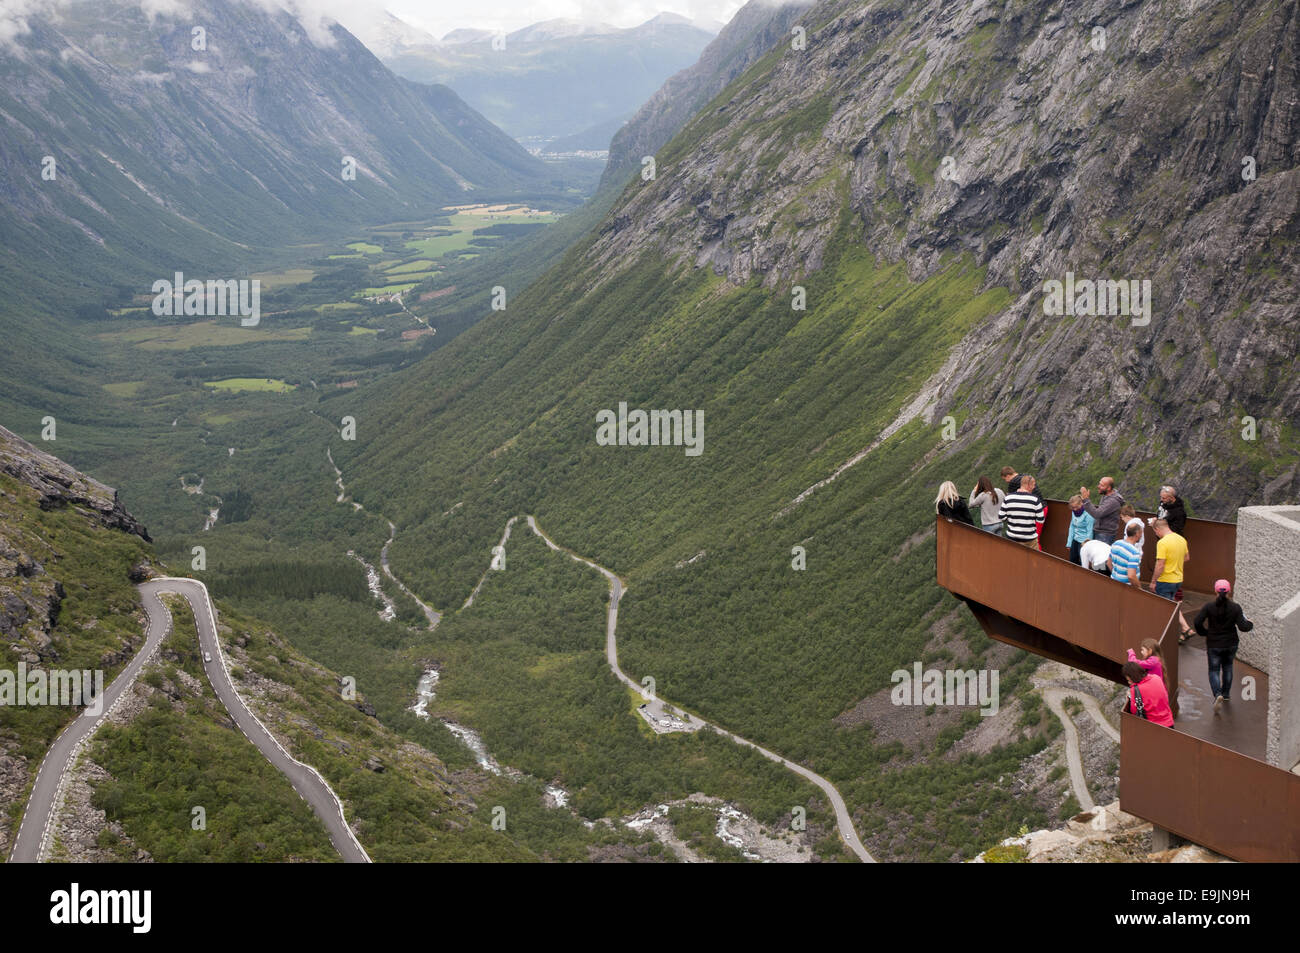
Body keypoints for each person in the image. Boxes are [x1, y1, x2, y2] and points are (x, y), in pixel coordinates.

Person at [1193, 579, 1254, 713]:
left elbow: (1197, 622)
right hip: (1231, 643)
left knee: (1214, 670)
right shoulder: (1235, 607)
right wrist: (1251, 624)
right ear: (1229, 591)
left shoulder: (1209, 607)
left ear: (1215, 591)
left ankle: (1217, 694)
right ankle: (1225, 694)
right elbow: (1243, 627)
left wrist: (1205, 633)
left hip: (1214, 644)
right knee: (1227, 667)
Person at [1150, 518, 1192, 638]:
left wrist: (1153, 581)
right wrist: (1175, 562)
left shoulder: (1162, 543)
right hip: (1178, 579)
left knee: (1165, 610)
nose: (1156, 535)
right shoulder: (1181, 539)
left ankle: (1165, 636)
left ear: (1157, 529)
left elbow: (1160, 564)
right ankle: (1186, 628)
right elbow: (1187, 557)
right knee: (1172, 605)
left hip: (1165, 580)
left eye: (1155, 532)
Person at [998, 474, 1045, 549]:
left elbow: (1001, 516)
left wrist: (1012, 520)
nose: (1034, 487)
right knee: (1033, 560)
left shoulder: (1008, 498)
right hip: (1030, 539)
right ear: (1028, 485)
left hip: (1012, 538)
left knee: (1014, 559)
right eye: (1033, 485)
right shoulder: (1035, 500)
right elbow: (1041, 520)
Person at [1123, 660, 1175, 727]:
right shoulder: (1156, 677)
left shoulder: (1135, 689)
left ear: (1131, 677)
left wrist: (1129, 697)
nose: (1129, 682)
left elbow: (1134, 711)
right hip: (1169, 722)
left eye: (1128, 680)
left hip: (1153, 726)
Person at [1079, 476, 1124, 544]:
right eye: (1099, 484)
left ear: (1108, 488)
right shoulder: (1106, 495)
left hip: (1105, 535)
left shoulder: (1113, 501)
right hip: (1100, 532)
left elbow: (1097, 514)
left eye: (1102, 485)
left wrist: (1086, 500)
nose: (1098, 486)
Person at [1066, 494, 1094, 565]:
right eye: (1073, 507)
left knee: (1083, 562)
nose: (1075, 509)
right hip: (1075, 539)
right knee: (1072, 560)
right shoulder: (1074, 512)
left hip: (1084, 541)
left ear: (1081, 503)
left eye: (1076, 507)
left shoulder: (1088, 514)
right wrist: (1069, 543)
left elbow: (1090, 531)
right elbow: (1072, 527)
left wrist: (1087, 545)